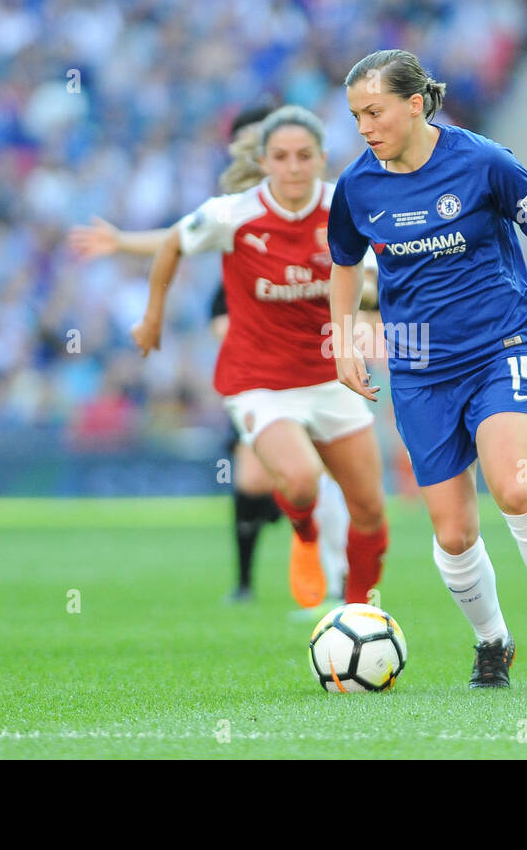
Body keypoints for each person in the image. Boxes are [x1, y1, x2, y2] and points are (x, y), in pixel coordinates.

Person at [326, 49, 527, 689]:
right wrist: (346, 336)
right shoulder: (356, 187)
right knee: (455, 533)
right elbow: (345, 263)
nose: (364, 127)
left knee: (515, 487)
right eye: (355, 116)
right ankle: (493, 643)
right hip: (420, 367)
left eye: (373, 111)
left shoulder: (482, 161)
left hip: (502, 347)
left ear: (414, 105)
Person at [69, 106, 349, 606]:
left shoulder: (323, 212)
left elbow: (362, 276)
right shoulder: (234, 215)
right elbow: (179, 238)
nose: (281, 162)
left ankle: (338, 583)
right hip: (259, 359)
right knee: (258, 477)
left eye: (294, 153)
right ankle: (254, 578)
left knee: (317, 475)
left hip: (315, 358)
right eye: (264, 148)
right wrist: (122, 242)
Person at [129, 105, 390, 608]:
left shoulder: (347, 208)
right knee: (299, 480)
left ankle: (357, 610)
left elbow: (373, 282)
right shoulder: (232, 213)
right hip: (260, 382)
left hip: (331, 376)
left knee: (371, 511)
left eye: (304, 156)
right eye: (281, 157)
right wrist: (153, 317)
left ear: (321, 159)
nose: (293, 166)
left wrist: (377, 300)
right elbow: (171, 244)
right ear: (264, 161)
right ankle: (307, 537)